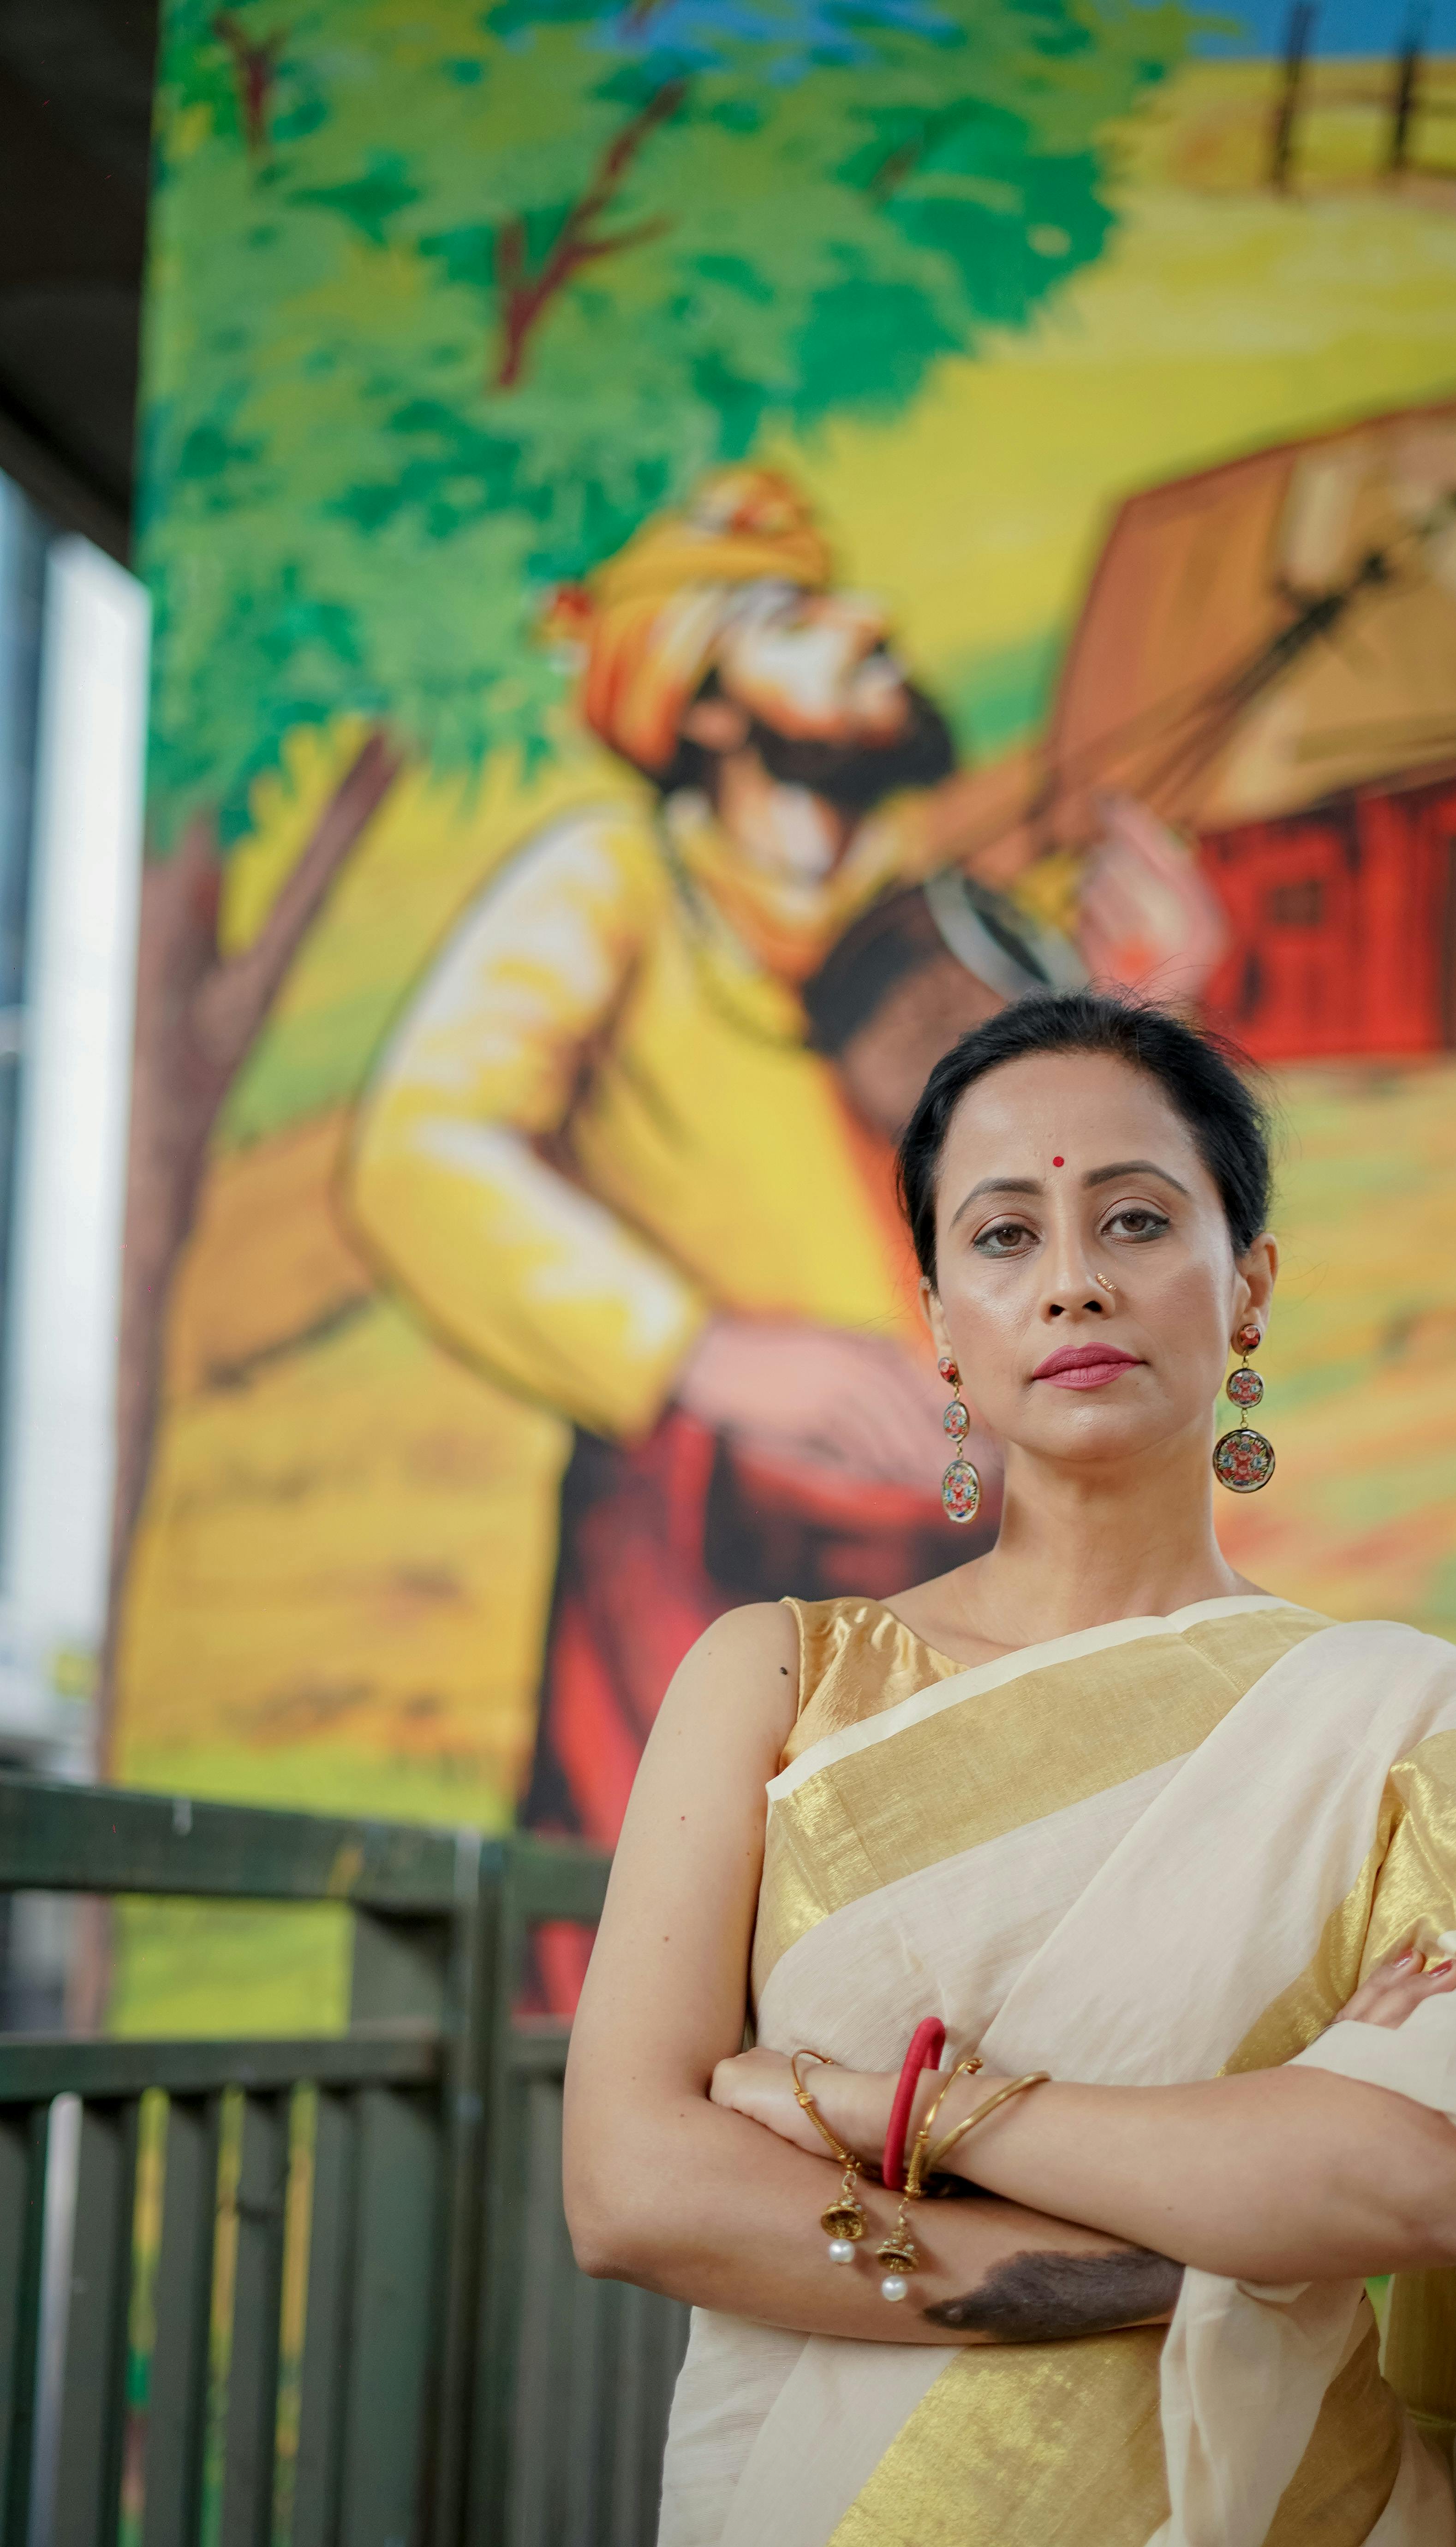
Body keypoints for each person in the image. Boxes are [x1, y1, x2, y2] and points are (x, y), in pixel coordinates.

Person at [565, 999, 1456, 2547]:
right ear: (938, 1322)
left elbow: (1418, 2176)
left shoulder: (1396, 1726)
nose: (1072, 1280)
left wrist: (868, 2106)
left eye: (1138, 1220)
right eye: (1004, 1235)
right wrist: (1197, 2236)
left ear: (1247, 1286)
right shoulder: (774, 1679)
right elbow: (631, 2185)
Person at [343, 469, 1021, 1903]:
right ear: (704, 705)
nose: (866, 621)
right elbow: (420, 1148)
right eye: (789, 610)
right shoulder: (615, 882)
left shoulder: (932, 917)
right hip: (708, 1544)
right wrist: (704, 1351)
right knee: (675, 1972)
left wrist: (1162, 1000)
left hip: (950, 1548)